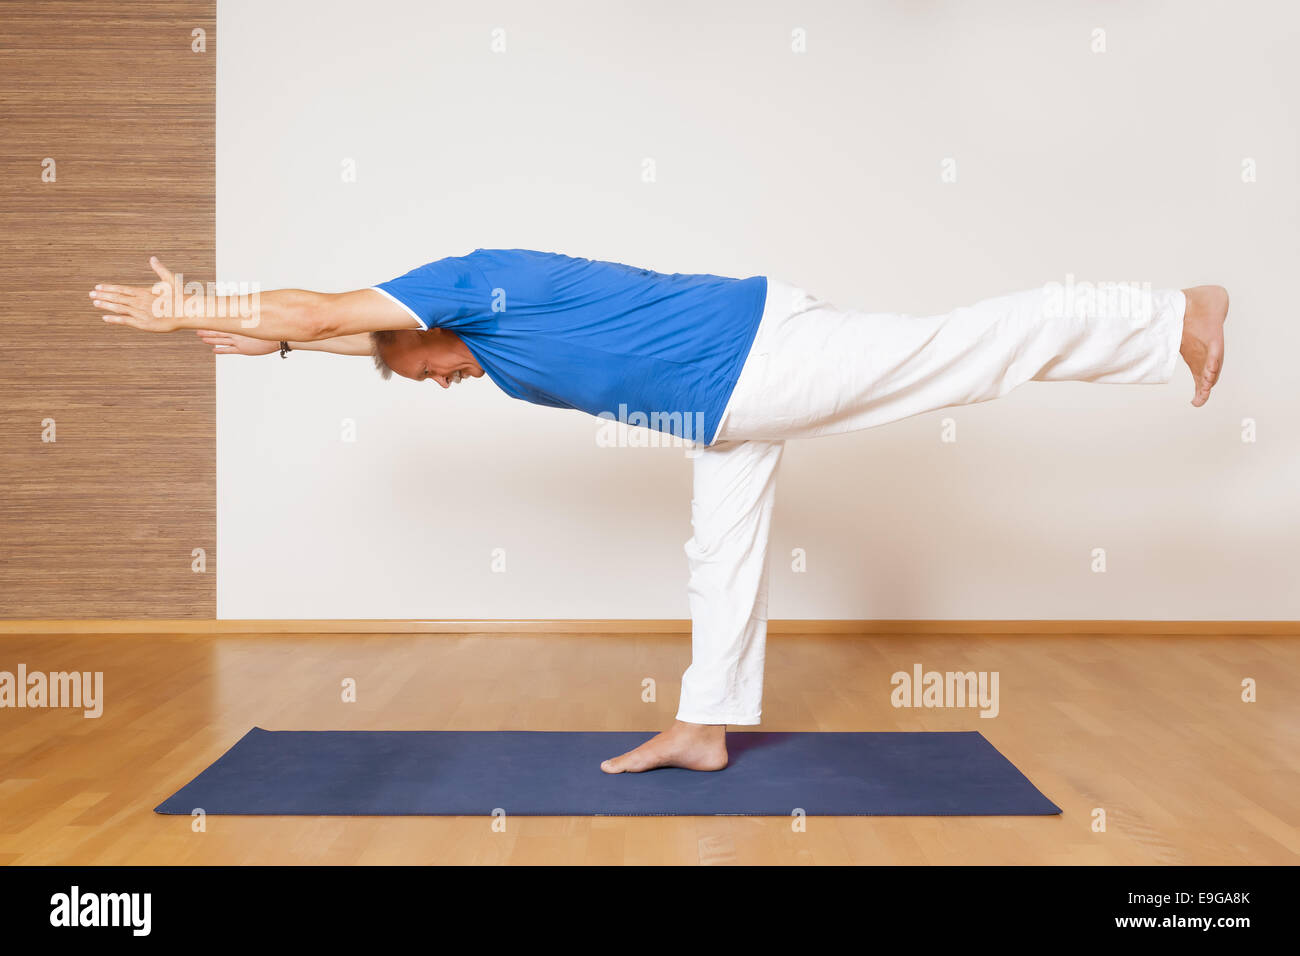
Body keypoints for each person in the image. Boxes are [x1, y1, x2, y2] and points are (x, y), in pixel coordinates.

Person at [91, 249, 1228, 774]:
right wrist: (278, 340)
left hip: (750, 358)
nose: (439, 380)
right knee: (720, 551)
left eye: (421, 368)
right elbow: (348, 327)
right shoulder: (469, 329)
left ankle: (1165, 307)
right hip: (714, 404)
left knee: (954, 353)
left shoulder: (468, 280)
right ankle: (704, 722)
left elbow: (343, 304)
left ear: (423, 324)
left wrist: (202, 301)